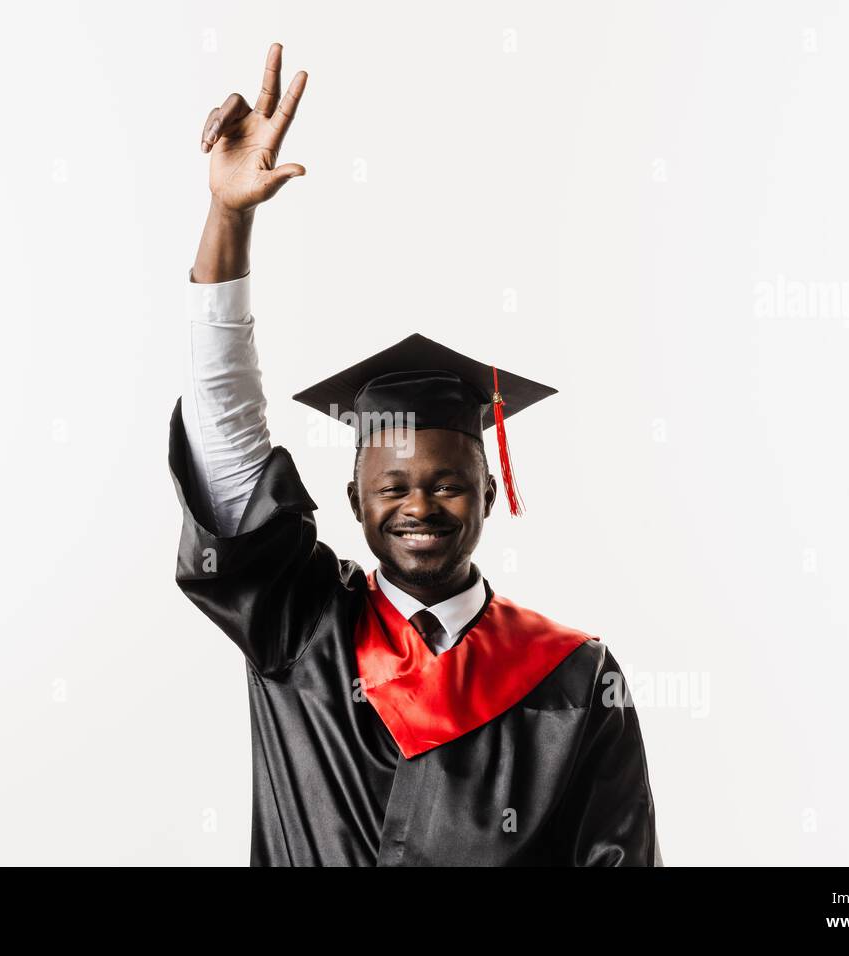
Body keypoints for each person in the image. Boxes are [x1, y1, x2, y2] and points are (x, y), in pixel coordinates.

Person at [172, 42, 661, 866]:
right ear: (354, 498)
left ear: (490, 489)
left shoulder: (572, 678)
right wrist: (230, 217)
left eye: (447, 484)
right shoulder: (300, 628)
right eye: (392, 485)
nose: (420, 506)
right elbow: (228, 439)